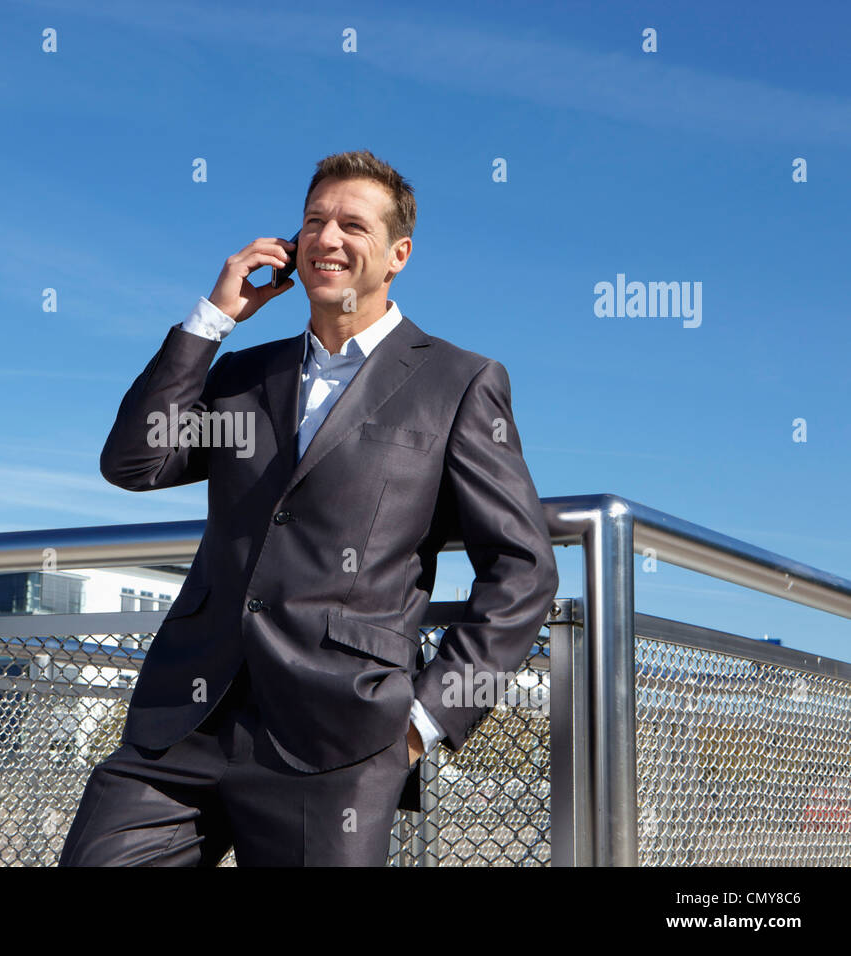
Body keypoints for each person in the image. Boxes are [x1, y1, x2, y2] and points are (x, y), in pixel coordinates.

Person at [60, 149, 558, 866]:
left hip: (339, 745)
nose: (328, 239)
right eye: (314, 221)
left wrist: (422, 723)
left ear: (398, 255)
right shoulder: (242, 373)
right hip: (181, 726)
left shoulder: (458, 381)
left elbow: (522, 570)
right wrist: (211, 319)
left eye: (353, 225)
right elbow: (134, 463)